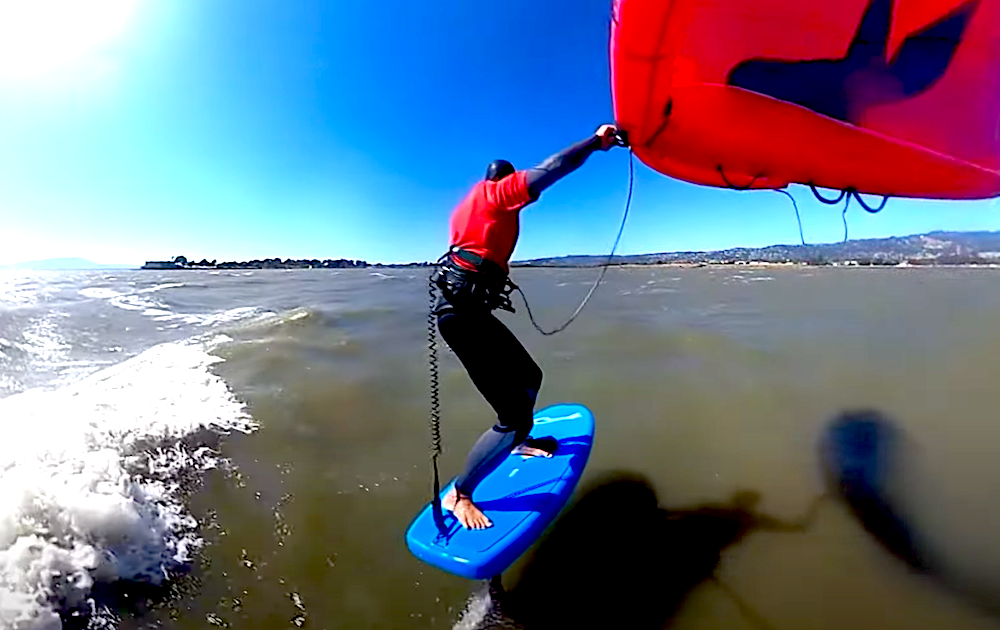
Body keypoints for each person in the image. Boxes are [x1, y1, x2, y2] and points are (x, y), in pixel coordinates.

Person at [432, 124, 624, 529]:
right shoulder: (496, 194)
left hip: (470, 311)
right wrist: (596, 142)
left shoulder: (468, 206)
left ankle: (518, 443)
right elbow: (553, 167)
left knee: (529, 378)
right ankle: (460, 495)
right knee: (514, 415)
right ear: (505, 180)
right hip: (462, 316)